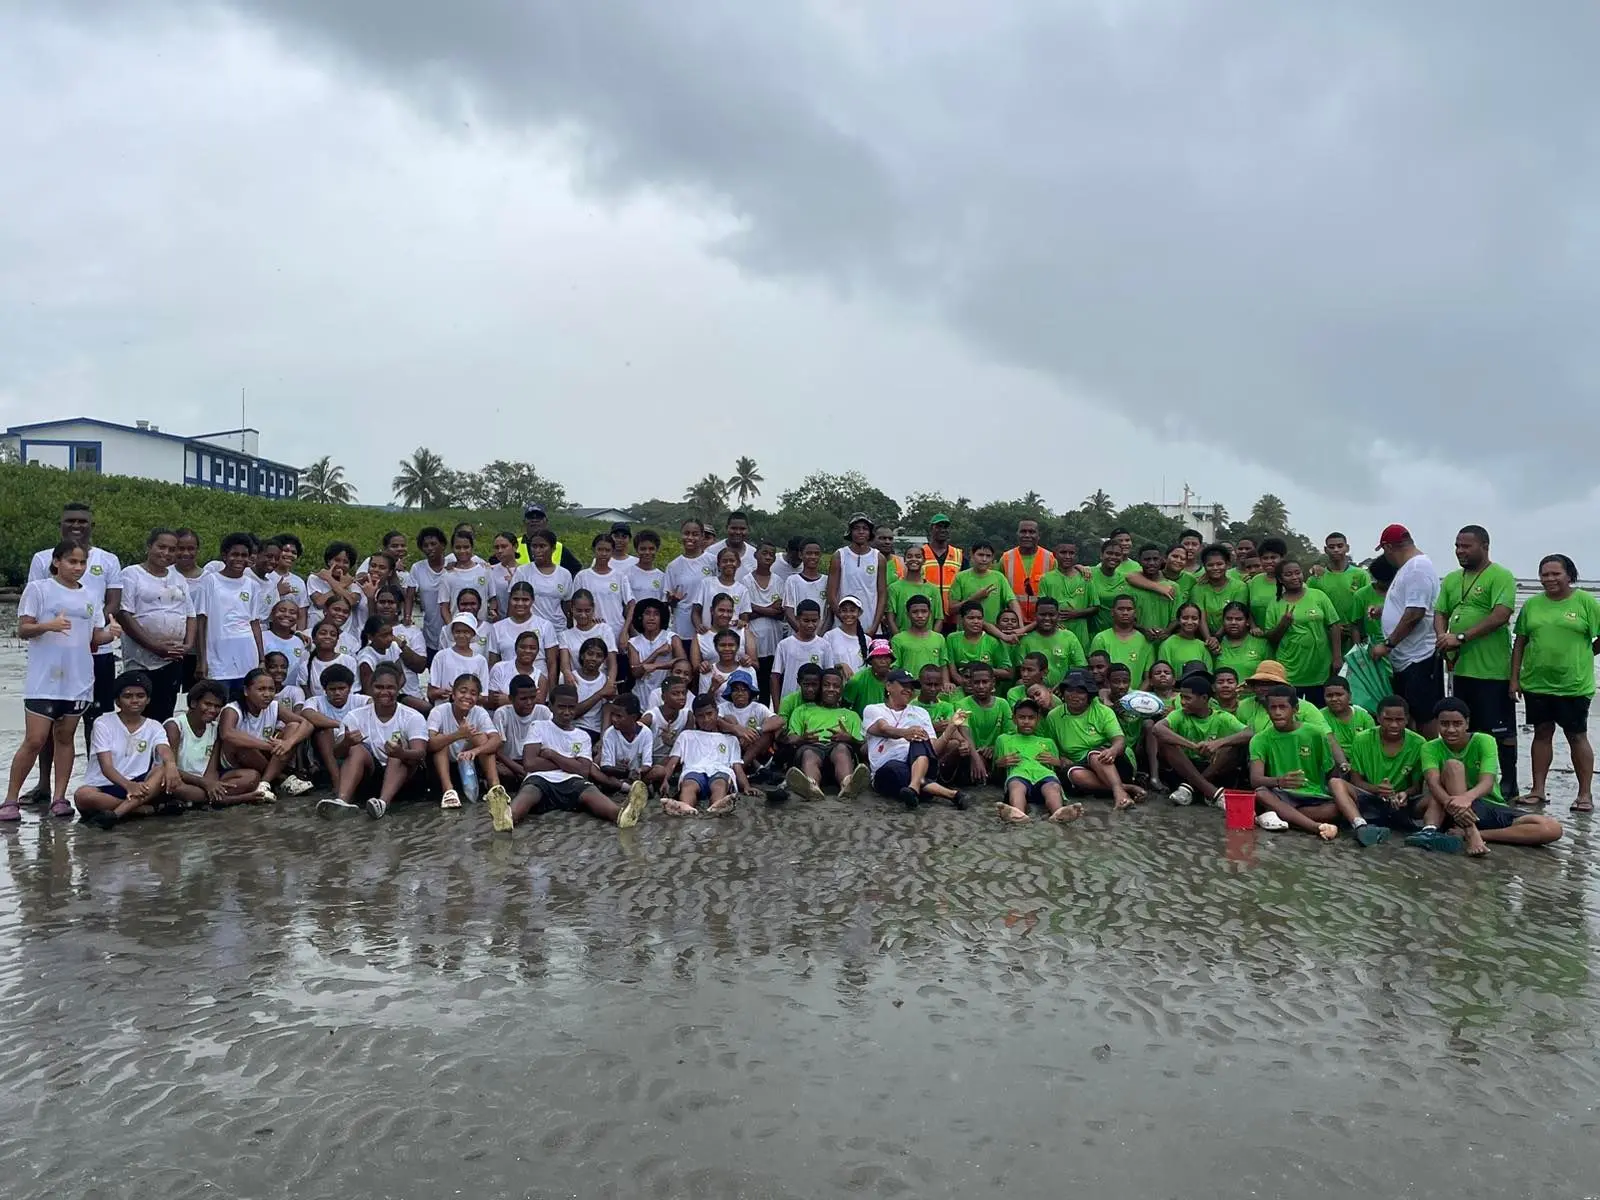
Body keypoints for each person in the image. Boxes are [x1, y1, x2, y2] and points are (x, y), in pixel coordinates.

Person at [4, 540, 122, 821]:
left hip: (79, 679)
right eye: (72, 561)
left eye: (82, 563)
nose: (77, 568)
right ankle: (10, 800)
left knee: (65, 738)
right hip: (44, 680)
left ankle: (59, 798)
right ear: (56, 562)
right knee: (34, 740)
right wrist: (48, 626)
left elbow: (94, 638)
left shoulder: (91, 596)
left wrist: (112, 633)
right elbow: (22, 629)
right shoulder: (39, 589)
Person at [25, 502, 122, 785]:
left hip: (97, 652)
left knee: (97, 720)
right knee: (45, 727)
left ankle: (96, 782)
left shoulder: (109, 560)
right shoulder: (42, 559)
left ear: (92, 525)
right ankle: (44, 784)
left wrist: (90, 629)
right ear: (61, 524)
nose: (77, 526)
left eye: (83, 521)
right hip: (52, 656)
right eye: (70, 521)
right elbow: (36, 603)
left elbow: (112, 601)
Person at [1406, 698, 1563, 855]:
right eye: (1444, 724)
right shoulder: (1430, 747)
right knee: (1453, 766)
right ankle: (1471, 831)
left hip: (1485, 805)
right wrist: (1453, 803)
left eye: (1457, 724)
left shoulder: (1484, 740)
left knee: (1552, 828)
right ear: (1437, 724)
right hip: (1448, 804)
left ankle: (1476, 834)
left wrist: (1467, 798)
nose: (1451, 730)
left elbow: (1487, 782)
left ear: (1467, 723)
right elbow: (1433, 782)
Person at [1435, 525, 1520, 800]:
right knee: (1464, 728)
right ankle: (1471, 781)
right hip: (1461, 670)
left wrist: (1460, 636)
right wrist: (1443, 638)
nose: (1460, 551)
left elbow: (1501, 615)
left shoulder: (1500, 576)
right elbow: (1440, 612)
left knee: (1499, 731)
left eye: (1466, 546)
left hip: (1492, 671)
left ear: (1484, 546)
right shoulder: (1450, 579)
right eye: (1457, 546)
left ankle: (1508, 783)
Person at [1511, 553, 1600, 811]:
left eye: (1555, 574)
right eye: (1544, 574)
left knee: (1576, 736)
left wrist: (1586, 654)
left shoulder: (1585, 602)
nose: (1549, 579)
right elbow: (1520, 642)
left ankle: (1585, 794)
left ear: (1569, 576)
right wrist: (1514, 679)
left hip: (1574, 684)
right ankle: (1538, 790)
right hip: (1536, 683)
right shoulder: (1532, 605)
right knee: (1541, 734)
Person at [494, 685, 649, 831]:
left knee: (592, 793)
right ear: (551, 707)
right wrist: (570, 762)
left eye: (571, 707)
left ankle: (622, 814)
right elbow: (530, 764)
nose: (567, 712)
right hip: (540, 779)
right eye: (562, 707)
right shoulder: (538, 726)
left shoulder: (583, 736)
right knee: (528, 793)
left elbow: (583, 771)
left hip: (573, 780)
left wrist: (551, 754)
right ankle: (507, 817)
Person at [1249, 685, 1378, 844]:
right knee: (1261, 793)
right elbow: (1255, 779)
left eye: (1283, 707)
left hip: (1314, 795)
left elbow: (1330, 771)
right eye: (1273, 708)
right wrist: (1279, 781)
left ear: (1295, 709)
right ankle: (1316, 827)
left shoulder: (1315, 733)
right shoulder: (1260, 739)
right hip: (1282, 794)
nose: (1277, 712)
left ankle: (1282, 816)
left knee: (1339, 808)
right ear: (1267, 711)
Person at [315, 664, 431, 818]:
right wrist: (346, 743)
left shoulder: (412, 716)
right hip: (371, 776)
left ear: (398, 689)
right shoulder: (355, 716)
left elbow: (420, 752)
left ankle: (383, 803)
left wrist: (402, 752)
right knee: (355, 749)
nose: (384, 692)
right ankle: (342, 801)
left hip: (406, 778)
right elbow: (337, 753)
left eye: (390, 687)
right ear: (370, 688)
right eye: (379, 687)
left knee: (397, 754)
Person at [71, 671, 187, 825]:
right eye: (128, 696)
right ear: (118, 701)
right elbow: (106, 767)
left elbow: (164, 750)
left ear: (148, 700)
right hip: (106, 785)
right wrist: (128, 785)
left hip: (141, 785)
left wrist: (171, 765)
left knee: (162, 769)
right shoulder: (103, 723)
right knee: (82, 795)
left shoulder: (154, 726)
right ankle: (143, 809)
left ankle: (116, 814)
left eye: (140, 696)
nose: (134, 701)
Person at [115, 528, 195, 722]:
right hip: (141, 660)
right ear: (149, 546)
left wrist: (188, 646)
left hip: (173, 659)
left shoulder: (178, 578)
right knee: (138, 713)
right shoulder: (131, 574)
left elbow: (190, 614)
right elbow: (124, 614)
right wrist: (155, 647)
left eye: (172, 549)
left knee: (164, 713)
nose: (166, 553)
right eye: (161, 547)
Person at [1370, 524, 1443, 735]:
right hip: (1406, 658)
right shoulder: (1409, 568)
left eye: (1385, 551)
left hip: (1419, 656)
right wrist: (1384, 611)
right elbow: (1409, 604)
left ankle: (1429, 759)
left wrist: (1388, 644)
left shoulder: (1417, 568)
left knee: (1425, 714)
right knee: (1408, 713)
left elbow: (1416, 613)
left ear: (1389, 547)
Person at [863, 670, 968, 808]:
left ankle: (913, 788)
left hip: (920, 763)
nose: (908, 690)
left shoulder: (920, 713)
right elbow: (884, 729)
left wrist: (951, 727)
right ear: (888, 686)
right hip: (886, 769)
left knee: (920, 738)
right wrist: (905, 733)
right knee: (896, 768)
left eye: (911, 687)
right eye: (903, 685)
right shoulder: (874, 709)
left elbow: (933, 750)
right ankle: (951, 794)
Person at [1152, 672, 1249, 805]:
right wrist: (1192, 746)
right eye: (1182, 697)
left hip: (1213, 768)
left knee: (1235, 747)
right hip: (1184, 767)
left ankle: (1190, 788)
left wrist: (1218, 743)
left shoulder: (1222, 716)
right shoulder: (1179, 715)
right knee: (1165, 742)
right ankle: (1212, 792)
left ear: (1204, 698)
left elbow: (1249, 733)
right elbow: (1158, 728)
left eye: (1188, 698)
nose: (1183, 702)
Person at [163, 679, 263, 807]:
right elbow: (171, 768)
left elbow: (212, 768)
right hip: (181, 779)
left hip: (204, 781)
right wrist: (205, 784)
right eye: (207, 704)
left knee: (252, 776)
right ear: (193, 703)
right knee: (176, 787)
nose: (212, 710)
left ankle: (208, 799)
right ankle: (230, 799)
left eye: (217, 706)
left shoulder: (215, 728)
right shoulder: (175, 726)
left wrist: (212, 784)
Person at [1045, 672, 1138, 809]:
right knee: (1073, 773)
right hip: (1082, 768)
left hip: (1113, 762)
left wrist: (1112, 750)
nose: (1074, 695)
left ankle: (1119, 793)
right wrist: (1061, 758)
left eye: (1080, 691)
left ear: (1089, 694)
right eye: (1070, 690)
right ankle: (1125, 789)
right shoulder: (1054, 716)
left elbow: (1119, 740)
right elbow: (1052, 746)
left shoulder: (1103, 711)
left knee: (1094, 755)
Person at [218, 668, 312, 799]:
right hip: (238, 760)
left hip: (267, 756)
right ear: (246, 691)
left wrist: (287, 743)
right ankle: (281, 779)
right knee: (241, 743)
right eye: (261, 689)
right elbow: (227, 734)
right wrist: (268, 746)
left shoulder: (274, 706)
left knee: (294, 726)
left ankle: (265, 782)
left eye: (271, 689)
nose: (267, 694)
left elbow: (307, 724)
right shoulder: (232, 709)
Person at [1262, 559, 1342, 707]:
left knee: (1320, 712)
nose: (1294, 577)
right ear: (1280, 579)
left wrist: (1337, 656)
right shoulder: (1275, 604)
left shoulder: (1319, 596)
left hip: (1320, 668)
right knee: (1293, 712)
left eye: (1297, 573)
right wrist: (1283, 625)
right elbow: (1271, 639)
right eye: (1288, 574)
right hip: (1290, 669)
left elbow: (1334, 625)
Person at [781, 667, 869, 801]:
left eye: (836, 686)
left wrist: (849, 738)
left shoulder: (851, 715)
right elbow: (790, 738)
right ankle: (812, 786)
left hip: (838, 752)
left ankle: (847, 784)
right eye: (826, 685)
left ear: (841, 690)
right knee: (809, 753)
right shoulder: (802, 710)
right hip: (811, 748)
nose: (831, 689)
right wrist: (802, 739)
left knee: (841, 750)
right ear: (820, 688)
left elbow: (862, 744)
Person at [194, 532, 264, 697]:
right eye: (235, 554)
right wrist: (201, 660)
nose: (239, 559)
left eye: (244, 555)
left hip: (247, 656)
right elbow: (201, 622)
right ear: (225, 556)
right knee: (218, 705)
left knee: (242, 707)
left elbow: (254, 623)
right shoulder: (210, 581)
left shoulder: (252, 586)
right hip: (218, 660)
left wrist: (261, 659)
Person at [660, 693, 750, 816]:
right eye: (701, 716)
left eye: (709, 714)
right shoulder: (687, 736)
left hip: (720, 771)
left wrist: (746, 786)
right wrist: (664, 780)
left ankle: (717, 806)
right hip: (693, 771)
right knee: (689, 785)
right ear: (695, 717)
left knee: (719, 784)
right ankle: (686, 807)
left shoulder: (730, 739)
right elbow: (673, 762)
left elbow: (737, 767)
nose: (706, 719)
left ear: (717, 712)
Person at [1346, 695, 1426, 832]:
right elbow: (1356, 780)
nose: (1394, 725)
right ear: (1378, 718)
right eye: (1388, 719)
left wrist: (1404, 794)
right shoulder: (1361, 739)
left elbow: (1417, 786)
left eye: (1399, 720)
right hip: (1369, 798)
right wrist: (1378, 789)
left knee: (1435, 798)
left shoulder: (1419, 743)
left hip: (1402, 803)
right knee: (1336, 783)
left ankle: (1429, 831)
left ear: (1407, 719)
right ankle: (1360, 825)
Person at [993, 699, 1079, 825]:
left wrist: (1057, 762)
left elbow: (1057, 770)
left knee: (1052, 787)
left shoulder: (1048, 742)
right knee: (1016, 787)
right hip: (1018, 775)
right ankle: (1018, 814)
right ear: (1014, 719)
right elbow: (996, 773)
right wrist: (999, 763)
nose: (1026, 722)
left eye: (1031, 718)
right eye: (1022, 717)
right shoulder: (1003, 740)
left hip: (1044, 776)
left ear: (1038, 719)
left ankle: (1058, 813)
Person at [427, 675, 503, 808]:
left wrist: (476, 750)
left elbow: (496, 740)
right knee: (440, 740)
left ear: (478, 697)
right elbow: (429, 744)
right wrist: (457, 735)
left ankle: (495, 787)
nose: (467, 696)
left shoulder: (479, 712)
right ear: (453, 694)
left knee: (482, 738)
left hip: (470, 760)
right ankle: (448, 791)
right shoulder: (438, 711)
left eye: (473, 693)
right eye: (463, 691)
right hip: (444, 763)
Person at [950, 662, 1012, 785]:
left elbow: (1010, 734)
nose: (981, 686)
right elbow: (965, 732)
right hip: (971, 754)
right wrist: (976, 758)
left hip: (994, 755)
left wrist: (994, 748)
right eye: (976, 682)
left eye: (985, 682)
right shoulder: (962, 704)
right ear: (971, 684)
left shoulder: (1003, 704)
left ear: (993, 682)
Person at [826, 514, 888, 635]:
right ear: (850, 532)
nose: (861, 532)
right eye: (856, 528)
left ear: (870, 533)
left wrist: (875, 625)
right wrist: (844, 619)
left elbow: (882, 594)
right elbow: (831, 593)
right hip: (842, 626)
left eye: (865, 528)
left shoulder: (878, 557)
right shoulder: (840, 556)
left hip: (870, 625)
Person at [741, 540, 787, 701]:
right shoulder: (746, 581)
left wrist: (756, 608)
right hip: (754, 643)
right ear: (755, 555)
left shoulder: (779, 581)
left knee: (770, 683)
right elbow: (745, 612)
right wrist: (769, 609)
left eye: (771, 554)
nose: (768, 557)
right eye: (764, 553)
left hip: (774, 642)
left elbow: (780, 613)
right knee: (755, 683)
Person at [1035, 536, 1098, 653]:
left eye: (1071, 553)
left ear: (1076, 555)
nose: (1068, 556)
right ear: (1055, 554)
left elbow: (1095, 607)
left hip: (1080, 633)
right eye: (1063, 552)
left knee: (1079, 665)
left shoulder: (1086, 577)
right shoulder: (1046, 579)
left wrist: (1077, 613)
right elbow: (1041, 608)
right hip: (1055, 632)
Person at [947, 542, 1023, 636]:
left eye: (988, 556)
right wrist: (974, 598)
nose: (984, 559)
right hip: (966, 635)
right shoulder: (960, 578)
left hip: (995, 634)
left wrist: (1020, 625)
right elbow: (952, 609)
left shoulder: (999, 578)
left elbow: (1012, 601)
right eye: (980, 555)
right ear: (972, 555)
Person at [492, 674, 552, 789]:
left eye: (533, 697)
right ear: (511, 699)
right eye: (523, 699)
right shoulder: (502, 714)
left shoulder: (543, 711)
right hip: (510, 762)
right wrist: (522, 771)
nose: (529, 702)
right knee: (502, 772)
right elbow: (499, 752)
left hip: (534, 762)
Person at [573, 532, 635, 640]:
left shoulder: (619, 576)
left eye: (607, 550)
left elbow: (631, 603)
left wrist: (625, 631)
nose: (604, 553)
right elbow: (573, 605)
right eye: (600, 549)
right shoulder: (582, 576)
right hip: (589, 633)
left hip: (616, 632)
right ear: (594, 550)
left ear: (612, 552)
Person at [771, 600, 834, 705]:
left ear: (820, 620)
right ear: (797, 619)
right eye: (806, 620)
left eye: (814, 621)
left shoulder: (825, 645)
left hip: (815, 705)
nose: (810, 625)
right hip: (789, 703)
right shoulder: (784, 645)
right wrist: (777, 707)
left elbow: (829, 676)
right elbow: (775, 677)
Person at [511, 529, 574, 633]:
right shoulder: (522, 571)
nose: (537, 550)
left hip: (558, 630)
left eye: (542, 546)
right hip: (530, 630)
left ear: (553, 548)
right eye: (534, 546)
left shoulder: (564, 574)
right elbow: (513, 603)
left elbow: (567, 605)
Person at [1018, 596, 1089, 686]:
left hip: (1064, 693)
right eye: (1043, 615)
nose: (1047, 618)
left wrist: (1064, 685)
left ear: (1058, 616)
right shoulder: (1026, 641)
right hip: (1034, 694)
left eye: (1051, 615)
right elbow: (1020, 673)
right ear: (1035, 616)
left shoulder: (1069, 637)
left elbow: (1081, 668)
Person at [665, 518, 716, 641]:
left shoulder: (713, 561)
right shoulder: (673, 566)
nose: (690, 538)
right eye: (686, 533)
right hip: (683, 629)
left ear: (702, 536)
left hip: (709, 626)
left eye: (695, 534)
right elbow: (667, 601)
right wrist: (673, 600)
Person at [998, 520, 1056, 624]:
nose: (1027, 535)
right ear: (1017, 534)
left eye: (1031, 532)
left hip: (1041, 622)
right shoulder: (1006, 558)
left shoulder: (1050, 559)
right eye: (1023, 531)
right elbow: (1000, 590)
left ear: (1038, 535)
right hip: (1013, 622)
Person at [1088, 596, 1154, 687]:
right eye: (1120, 609)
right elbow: (1095, 673)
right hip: (1107, 696)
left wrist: (1134, 697)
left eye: (1129, 609)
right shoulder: (1101, 638)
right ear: (1112, 612)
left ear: (1135, 613)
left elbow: (1148, 678)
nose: (1125, 613)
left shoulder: (1145, 640)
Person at [945, 601, 1009, 692]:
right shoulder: (952, 638)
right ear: (961, 619)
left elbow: (1008, 673)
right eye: (971, 618)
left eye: (979, 618)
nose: (976, 622)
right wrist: (966, 685)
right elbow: (953, 672)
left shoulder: (993, 641)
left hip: (988, 692)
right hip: (962, 689)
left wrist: (984, 670)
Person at [1190, 545, 1248, 643]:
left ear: (1228, 564)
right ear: (1204, 566)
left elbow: (1236, 615)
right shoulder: (1198, 588)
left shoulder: (1240, 587)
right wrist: (1209, 639)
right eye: (1210, 565)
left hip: (1231, 638)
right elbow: (1201, 617)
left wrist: (1217, 637)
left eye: (1219, 564)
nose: (1215, 568)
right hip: (1204, 639)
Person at [428, 614, 491, 703]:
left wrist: (466, 696)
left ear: (473, 634)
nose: (461, 635)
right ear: (452, 633)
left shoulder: (481, 661)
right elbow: (431, 692)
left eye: (466, 632)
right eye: (458, 632)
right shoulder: (441, 656)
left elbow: (484, 697)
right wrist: (445, 693)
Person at [890, 594, 949, 689]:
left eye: (924, 611)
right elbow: (895, 668)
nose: (920, 616)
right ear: (907, 614)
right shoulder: (898, 639)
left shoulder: (939, 638)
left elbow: (943, 665)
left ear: (930, 613)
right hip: (909, 689)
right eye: (915, 612)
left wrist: (946, 683)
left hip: (934, 689)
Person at [920, 514, 965, 630]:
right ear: (931, 529)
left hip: (953, 616)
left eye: (945, 527)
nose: (943, 530)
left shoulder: (958, 554)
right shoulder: (920, 553)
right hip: (927, 614)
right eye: (938, 526)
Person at [885, 544, 941, 636]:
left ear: (924, 560)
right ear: (905, 560)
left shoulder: (933, 589)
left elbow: (938, 618)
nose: (913, 559)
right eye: (909, 556)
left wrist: (932, 640)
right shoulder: (894, 588)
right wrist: (899, 639)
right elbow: (890, 619)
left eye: (918, 556)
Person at [514, 503, 583, 574]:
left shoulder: (558, 547)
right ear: (524, 522)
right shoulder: (513, 545)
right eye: (530, 517)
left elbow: (576, 572)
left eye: (539, 517)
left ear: (546, 521)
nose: (534, 520)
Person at [1319, 677, 1375, 760]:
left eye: (1339, 694)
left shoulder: (1364, 717)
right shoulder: (1319, 716)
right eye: (1329, 695)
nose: (1334, 699)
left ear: (1350, 696)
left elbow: (1372, 746)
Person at [781, 538, 829, 632]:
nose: (813, 557)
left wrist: (819, 636)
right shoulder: (792, 580)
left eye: (816, 554)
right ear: (800, 555)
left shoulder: (827, 581)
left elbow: (829, 613)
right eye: (809, 553)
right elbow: (789, 610)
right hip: (797, 636)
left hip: (820, 637)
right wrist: (803, 634)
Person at [1157, 602, 1212, 676]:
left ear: (1199, 621)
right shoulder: (1167, 644)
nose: (1189, 622)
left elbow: (1208, 675)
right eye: (1185, 618)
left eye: (1194, 618)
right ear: (1178, 620)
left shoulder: (1203, 646)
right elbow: (1163, 674)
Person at [706, 512, 758, 576]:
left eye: (742, 529)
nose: (738, 532)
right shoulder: (711, 551)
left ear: (748, 529)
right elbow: (706, 575)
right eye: (734, 528)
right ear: (727, 528)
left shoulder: (755, 555)